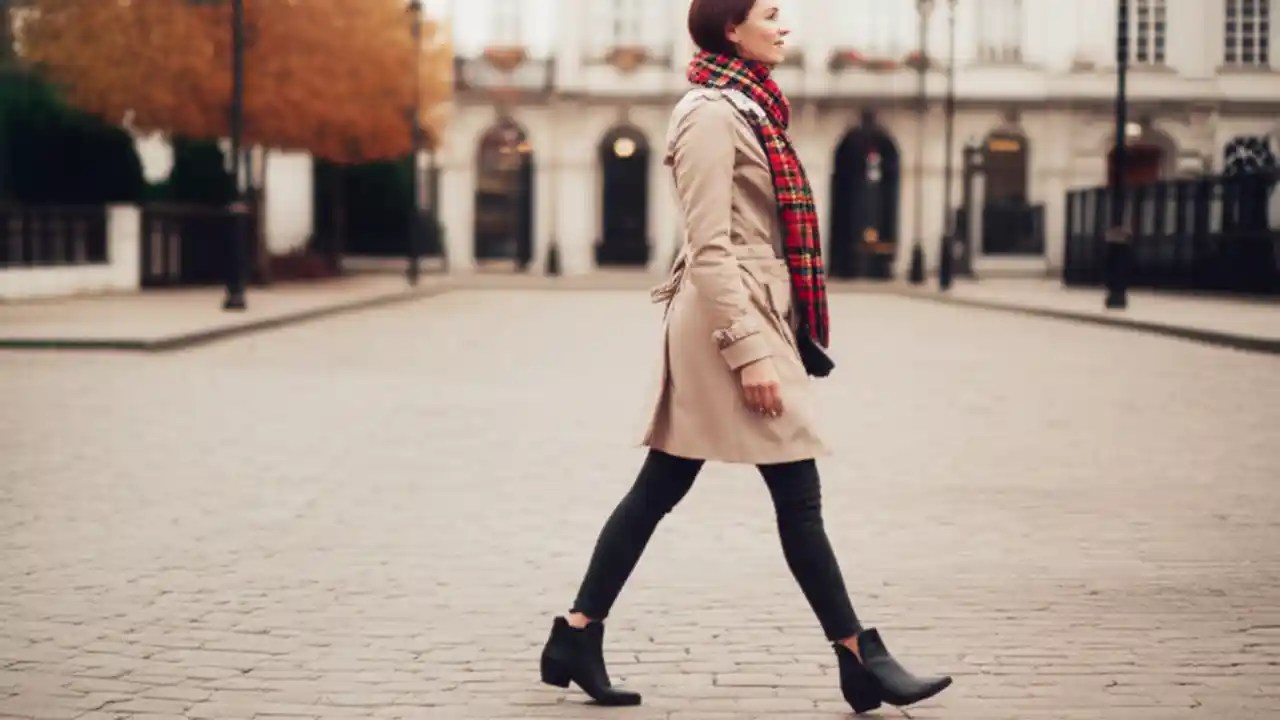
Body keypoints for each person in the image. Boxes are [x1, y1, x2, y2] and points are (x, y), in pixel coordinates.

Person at [539, 0, 953, 714]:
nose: (785, 24)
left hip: (753, 310)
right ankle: (859, 655)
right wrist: (750, 353)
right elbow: (709, 246)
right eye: (770, 12)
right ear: (732, 28)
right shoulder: (707, 114)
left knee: (664, 486)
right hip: (729, 323)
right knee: (793, 495)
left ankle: (577, 632)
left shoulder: (752, 108)